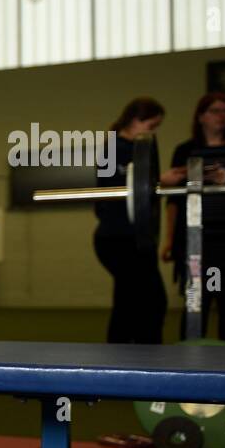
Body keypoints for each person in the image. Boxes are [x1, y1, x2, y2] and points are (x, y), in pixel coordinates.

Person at [165, 92, 225, 344]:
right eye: (215, 111)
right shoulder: (185, 150)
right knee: (196, 302)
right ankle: (190, 364)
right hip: (198, 244)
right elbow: (174, 201)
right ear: (201, 117)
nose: (222, 116)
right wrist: (168, 240)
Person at [92, 97, 171, 344]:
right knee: (142, 300)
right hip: (116, 238)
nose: (153, 132)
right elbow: (111, 189)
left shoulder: (140, 149)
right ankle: (134, 357)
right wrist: (159, 182)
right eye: (151, 125)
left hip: (137, 238)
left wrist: (158, 181)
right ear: (136, 120)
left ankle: (140, 356)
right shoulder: (111, 149)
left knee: (138, 301)